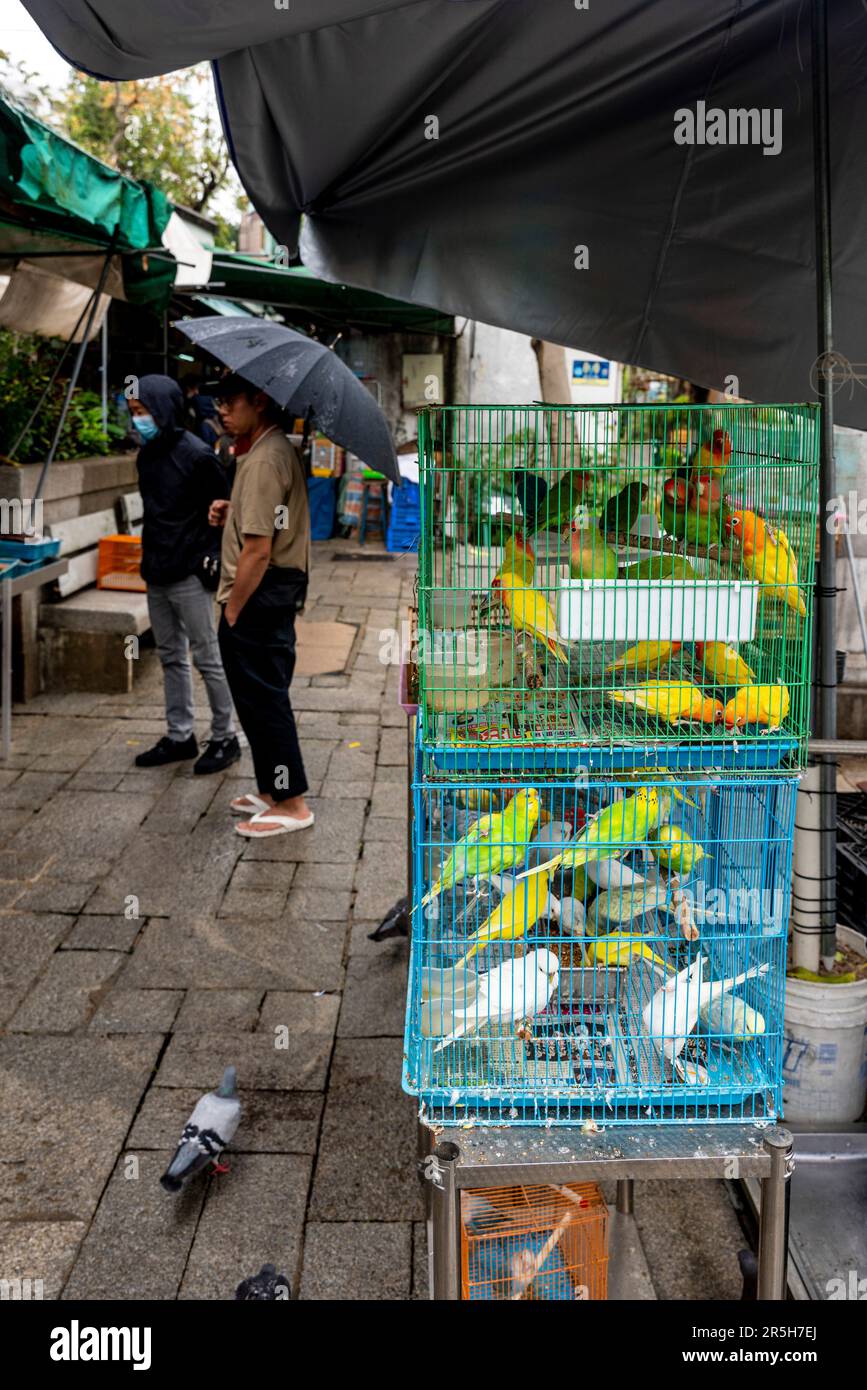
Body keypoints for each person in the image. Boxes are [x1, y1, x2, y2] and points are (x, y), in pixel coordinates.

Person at [209, 374, 313, 838]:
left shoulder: (268, 457)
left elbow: (259, 550)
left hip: (257, 592)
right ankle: (274, 789)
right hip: (266, 589)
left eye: (230, 402)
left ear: (260, 400)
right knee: (255, 698)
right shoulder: (264, 451)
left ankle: (292, 803)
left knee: (265, 700)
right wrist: (229, 513)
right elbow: (267, 520)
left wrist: (233, 610)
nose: (222, 411)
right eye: (219, 403)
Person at [128, 375, 241, 775]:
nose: (137, 420)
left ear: (164, 409)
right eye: (133, 413)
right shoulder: (147, 455)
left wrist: (205, 561)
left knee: (207, 657)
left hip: (189, 575)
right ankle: (180, 736)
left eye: (142, 412)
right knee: (170, 657)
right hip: (156, 572)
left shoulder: (197, 456)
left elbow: (222, 516)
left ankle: (226, 737)